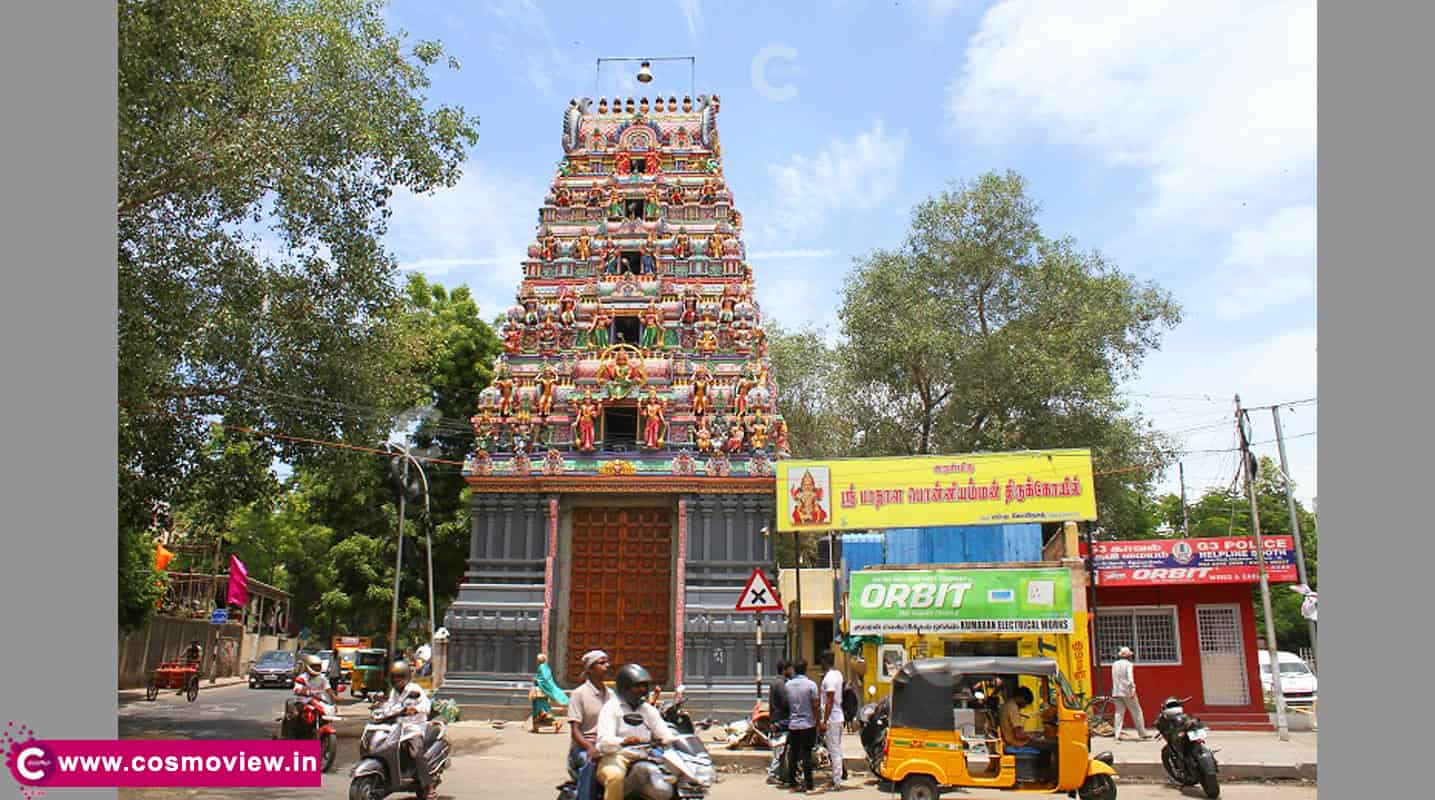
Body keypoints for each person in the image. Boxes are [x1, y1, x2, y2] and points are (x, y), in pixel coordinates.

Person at [595, 663, 676, 800]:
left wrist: (673, 739)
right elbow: (604, 740)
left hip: (647, 756)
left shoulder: (648, 710)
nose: (642, 690)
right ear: (625, 687)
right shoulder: (611, 707)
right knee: (615, 776)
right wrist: (623, 741)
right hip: (617, 756)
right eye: (637, 686)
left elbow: (663, 731)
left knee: (673, 776)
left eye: (644, 686)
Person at [384, 660, 436, 799]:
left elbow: (426, 705)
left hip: (413, 728)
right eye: (394, 676)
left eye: (399, 676)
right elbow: (389, 707)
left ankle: (429, 786)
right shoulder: (394, 692)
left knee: (416, 754)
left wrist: (416, 709)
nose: (396, 679)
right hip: (397, 727)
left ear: (406, 676)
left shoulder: (415, 690)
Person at [566, 650, 612, 800]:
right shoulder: (579, 694)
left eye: (607, 662)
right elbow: (575, 730)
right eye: (602, 663)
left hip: (608, 745)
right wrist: (589, 747)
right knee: (590, 762)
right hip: (584, 748)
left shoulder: (612, 694)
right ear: (590, 669)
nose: (607, 665)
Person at [999, 686, 1056, 781]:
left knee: (1044, 743)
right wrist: (1032, 736)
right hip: (1016, 742)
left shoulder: (1007, 704)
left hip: (1011, 739)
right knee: (1054, 745)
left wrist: (1034, 734)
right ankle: (1047, 777)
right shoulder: (1013, 708)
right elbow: (1019, 735)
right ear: (1021, 698)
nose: (1024, 706)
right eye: (1025, 703)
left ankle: (1043, 775)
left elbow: (1018, 731)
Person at [783, 659, 821, 794]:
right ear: (805, 669)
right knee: (806, 755)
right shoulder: (811, 685)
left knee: (793, 755)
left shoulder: (788, 685)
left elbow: (787, 703)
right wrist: (818, 722)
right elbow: (816, 705)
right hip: (807, 724)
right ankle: (809, 786)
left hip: (793, 724)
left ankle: (793, 785)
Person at [818, 651, 846, 791]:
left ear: (824, 661)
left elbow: (829, 700)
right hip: (838, 717)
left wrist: (824, 721)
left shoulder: (829, 678)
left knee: (834, 750)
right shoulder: (838, 674)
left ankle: (837, 781)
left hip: (832, 718)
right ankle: (838, 776)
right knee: (836, 749)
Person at [1111, 646, 1151, 741]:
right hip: (1127, 691)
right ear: (1127, 656)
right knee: (1136, 712)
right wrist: (1133, 689)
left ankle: (1116, 735)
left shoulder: (1114, 664)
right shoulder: (1129, 664)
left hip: (1116, 691)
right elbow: (1130, 678)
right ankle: (1142, 733)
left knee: (1119, 713)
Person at [766, 660, 793, 786]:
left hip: (776, 720)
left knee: (781, 751)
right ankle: (772, 774)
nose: (791, 672)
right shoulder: (781, 684)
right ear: (784, 670)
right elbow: (785, 703)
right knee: (779, 751)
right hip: (781, 721)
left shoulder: (775, 683)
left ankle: (782, 775)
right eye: (789, 669)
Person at [532, 653, 569, 733]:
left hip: (541, 692)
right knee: (538, 710)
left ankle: (556, 723)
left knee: (542, 710)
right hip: (541, 691)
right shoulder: (545, 667)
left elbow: (545, 678)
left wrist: (536, 680)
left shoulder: (542, 667)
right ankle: (536, 727)